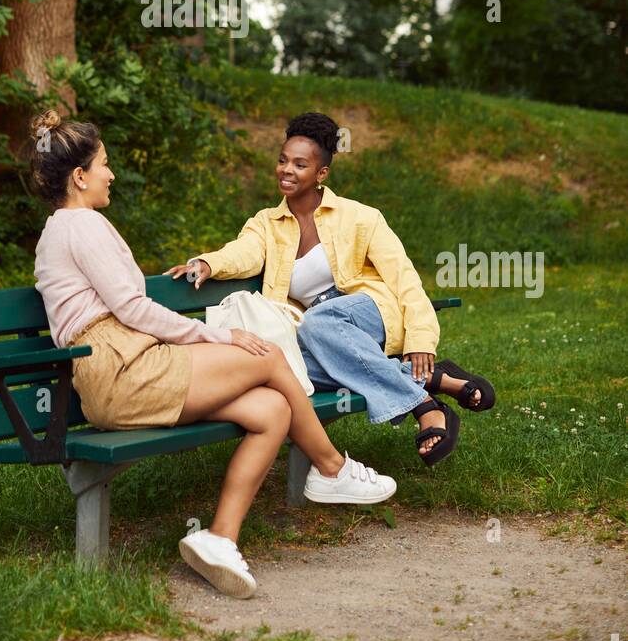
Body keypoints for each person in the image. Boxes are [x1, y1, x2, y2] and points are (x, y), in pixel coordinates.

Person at [31, 107, 397, 600]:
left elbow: (126, 310)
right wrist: (217, 336)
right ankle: (331, 468)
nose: (111, 174)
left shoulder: (67, 227)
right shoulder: (82, 226)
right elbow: (132, 307)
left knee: (272, 409)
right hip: (122, 371)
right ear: (79, 177)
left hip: (125, 367)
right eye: (104, 165)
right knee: (266, 355)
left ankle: (219, 539)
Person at [169, 111, 495, 467]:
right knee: (289, 371)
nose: (286, 171)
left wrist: (420, 340)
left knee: (320, 320)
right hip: (319, 332)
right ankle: (429, 380)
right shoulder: (266, 222)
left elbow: (405, 278)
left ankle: (424, 407)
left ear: (321, 173)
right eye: (282, 161)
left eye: (299, 164)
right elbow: (243, 252)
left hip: (367, 311)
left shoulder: (361, 217)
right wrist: (207, 263)